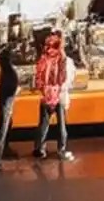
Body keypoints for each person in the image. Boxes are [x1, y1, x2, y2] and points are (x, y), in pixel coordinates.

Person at [32, 32, 74, 161]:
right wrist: (60, 90)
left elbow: (37, 78)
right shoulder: (64, 60)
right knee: (61, 125)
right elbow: (67, 79)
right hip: (59, 96)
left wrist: (44, 90)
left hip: (46, 96)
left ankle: (40, 149)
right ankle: (62, 150)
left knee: (43, 124)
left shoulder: (43, 60)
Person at [0, 46, 19, 171]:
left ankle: (4, 150)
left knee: (7, 126)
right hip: (7, 103)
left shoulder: (6, 71)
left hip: (6, 102)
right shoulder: (9, 72)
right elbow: (11, 88)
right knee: (3, 130)